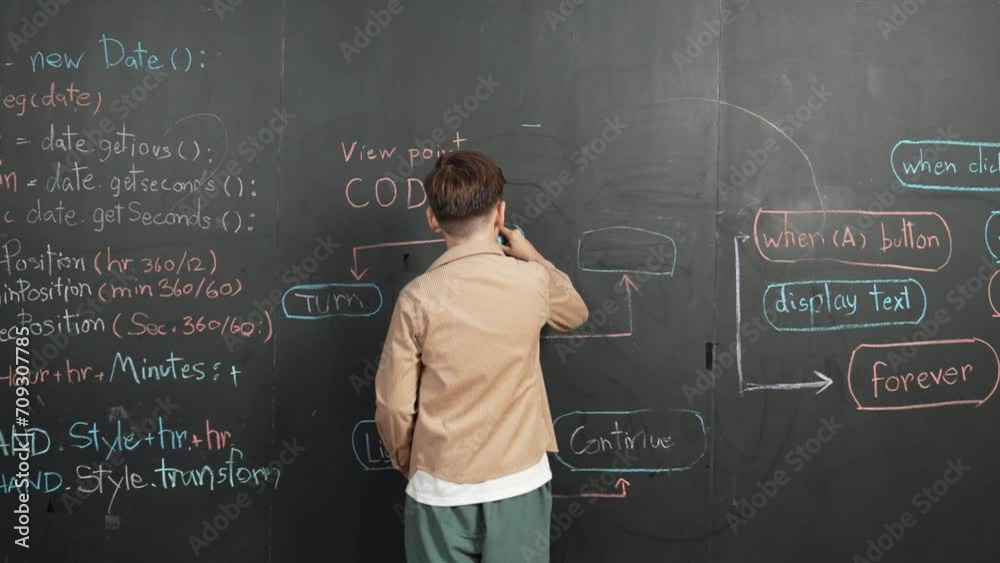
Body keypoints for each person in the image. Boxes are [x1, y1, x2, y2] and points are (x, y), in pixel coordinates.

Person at [374, 149, 588, 563]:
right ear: (500, 213)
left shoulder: (417, 298)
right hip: (519, 484)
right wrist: (533, 256)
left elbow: (394, 407)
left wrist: (415, 464)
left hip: (440, 489)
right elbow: (574, 312)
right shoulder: (532, 282)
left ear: (433, 219)